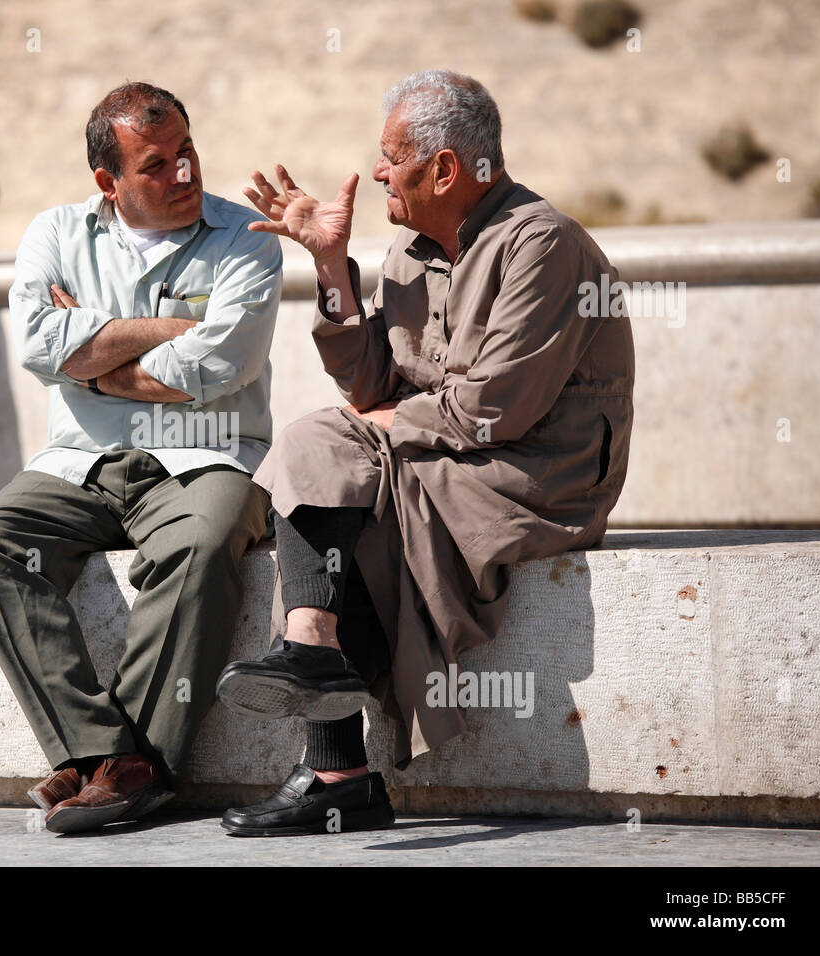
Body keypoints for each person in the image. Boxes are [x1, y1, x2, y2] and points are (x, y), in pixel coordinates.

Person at [214, 70, 635, 836]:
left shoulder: (543, 244)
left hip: (536, 477)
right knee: (325, 463)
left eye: (390, 156)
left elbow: (495, 409)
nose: (376, 171)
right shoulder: (410, 251)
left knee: (333, 464)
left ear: (445, 169)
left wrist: (376, 426)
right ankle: (314, 665)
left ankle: (334, 763)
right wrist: (333, 267)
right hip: (444, 456)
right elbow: (371, 379)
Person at [0, 82, 282, 834]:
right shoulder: (55, 233)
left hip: (207, 457)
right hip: (79, 459)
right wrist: (170, 328)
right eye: (157, 165)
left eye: (188, 152)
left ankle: (134, 770)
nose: (185, 175)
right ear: (110, 182)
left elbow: (221, 366)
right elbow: (37, 343)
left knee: (202, 541)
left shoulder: (247, 237)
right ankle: (109, 753)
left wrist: (92, 355)